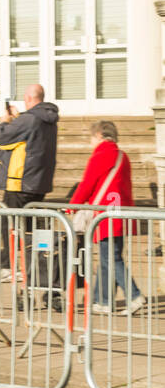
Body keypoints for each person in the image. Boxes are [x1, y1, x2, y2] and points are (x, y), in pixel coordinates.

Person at [69, 121, 145, 316]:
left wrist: (73, 205)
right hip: (119, 212)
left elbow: (87, 184)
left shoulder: (101, 155)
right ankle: (102, 300)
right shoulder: (122, 156)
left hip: (104, 214)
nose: (91, 141)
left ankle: (134, 295)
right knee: (107, 258)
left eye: (92, 137)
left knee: (111, 258)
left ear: (100, 135)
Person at [0, 83, 59, 283]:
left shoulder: (30, 119)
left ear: (28, 98)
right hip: (39, 182)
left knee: (9, 226)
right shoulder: (48, 119)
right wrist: (18, 118)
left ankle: (10, 267)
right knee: (31, 228)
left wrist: (4, 122)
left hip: (20, 182)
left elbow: (2, 138)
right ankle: (29, 267)